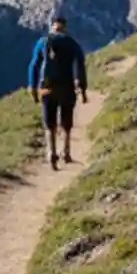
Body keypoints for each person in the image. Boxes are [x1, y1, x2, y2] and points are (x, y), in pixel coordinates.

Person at [28, 16, 87, 170]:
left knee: (49, 123)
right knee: (66, 120)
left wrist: (33, 87)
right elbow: (80, 63)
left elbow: (34, 64)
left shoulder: (43, 41)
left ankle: (51, 151)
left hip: (47, 87)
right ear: (65, 27)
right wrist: (82, 86)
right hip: (66, 86)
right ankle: (66, 151)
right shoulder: (72, 43)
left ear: (52, 26)